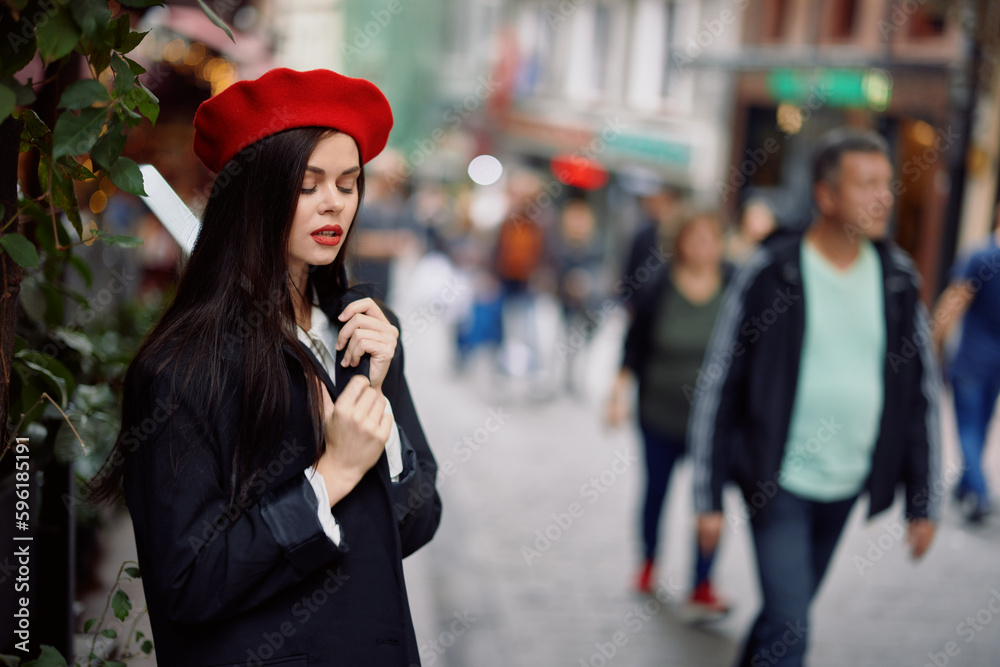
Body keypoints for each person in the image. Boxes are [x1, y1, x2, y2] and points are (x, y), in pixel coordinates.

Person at [87, 68, 442, 667]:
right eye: (308, 184)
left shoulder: (365, 333)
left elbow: (416, 521)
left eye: (349, 184)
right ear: (254, 192)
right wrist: (330, 477)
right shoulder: (182, 366)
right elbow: (186, 585)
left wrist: (380, 409)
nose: (335, 202)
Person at [689, 127, 940, 666]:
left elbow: (920, 395)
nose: (884, 197)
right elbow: (719, 381)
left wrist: (924, 499)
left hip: (846, 484)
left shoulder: (897, 279)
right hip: (777, 482)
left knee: (784, 614)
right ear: (826, 196)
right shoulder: (772, 270)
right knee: (792, 630)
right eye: (866, 184)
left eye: (887, 183)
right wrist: (706, 497)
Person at [606, 208, 733, 620]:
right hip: (659, 411)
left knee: (709, 500)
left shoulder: (734, 284)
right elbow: (634, 346)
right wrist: (617, 393)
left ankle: (702, 582)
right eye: (694, 238)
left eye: (710, 238)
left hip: (712, 423)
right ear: (679, 243)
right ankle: (647, 562)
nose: (702, 247)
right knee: (656, 491)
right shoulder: (658, 286)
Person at [932, 198, 1000, 522]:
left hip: (972, 359)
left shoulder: (980, 254)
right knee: (981, 424)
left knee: (968, 426)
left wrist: (932, 340)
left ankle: (980, 493)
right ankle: (964, 486)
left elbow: (954, 302)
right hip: (995, 363)